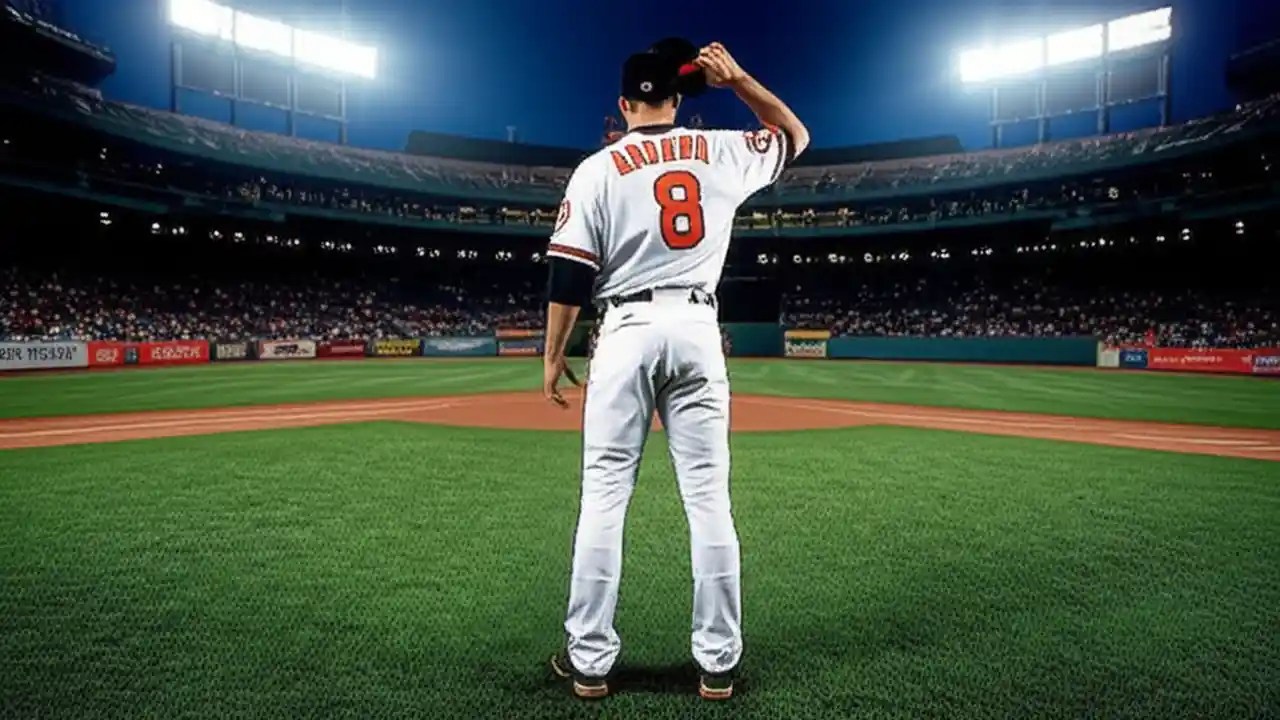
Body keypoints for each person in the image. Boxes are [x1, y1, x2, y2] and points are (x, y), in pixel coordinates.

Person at [540, 40, 809, 700]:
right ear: (678, 99)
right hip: (696, 327)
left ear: (623, 104)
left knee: (605, 497)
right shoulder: (719, 149)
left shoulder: (597, 169)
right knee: (709, 499)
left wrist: (552, 356)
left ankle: (590, 661)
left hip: (625, 328)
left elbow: (569, 276)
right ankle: (718, 662)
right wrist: (739, 79)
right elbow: (795, 136)